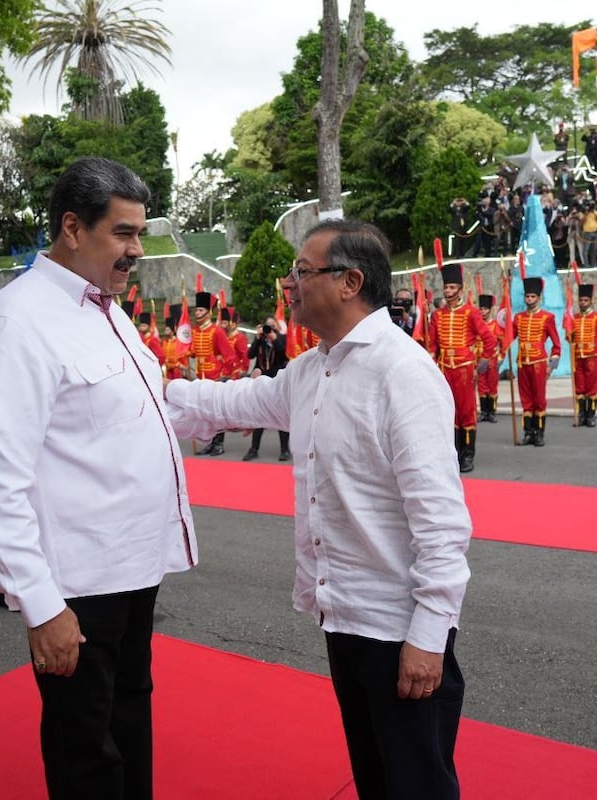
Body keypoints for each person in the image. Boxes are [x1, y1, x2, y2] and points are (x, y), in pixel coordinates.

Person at [166, 219, 471, 800]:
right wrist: (146, 393)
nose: (290, 283)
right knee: (377, 779)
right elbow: (231, 400)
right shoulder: (313, 368)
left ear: (350, 282)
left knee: (418, 785)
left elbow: (441, 524)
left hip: (398, 629)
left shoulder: (401, 373)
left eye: (302, 272)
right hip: (343, 615)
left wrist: (429, 637)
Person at [0, 156, 198, 800]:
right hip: (77, 587)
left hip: (132, 567)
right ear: (72, 227)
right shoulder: (19, 321)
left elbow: (143, 412)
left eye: (139, 233)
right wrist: (41, 605)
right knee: (86, 749)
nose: (136, 250)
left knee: (129, 722)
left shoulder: (107, 311)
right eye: (123, 233)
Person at [427, 262, 495, 472]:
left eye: (452, 287)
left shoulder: (471, 313)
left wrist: (483, 361)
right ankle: (453, 453)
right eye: (446, 287)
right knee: (449, 412)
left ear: (460, 289)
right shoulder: (438, 315)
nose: (448, 291)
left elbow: (489, 339)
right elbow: (433, 344)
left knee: (466, 412)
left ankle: (467, 455)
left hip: (465, 368)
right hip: (445, 368)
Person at [512, 277, 561, 446]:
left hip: (539, 363)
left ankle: (539, 433)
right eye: (527, 296)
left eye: (533, 297)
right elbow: (508, 338)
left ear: (539, 298)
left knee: (539, 399)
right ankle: (528, 432)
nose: (529, 300)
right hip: (522, 364)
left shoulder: (548, 317)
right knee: (526, 400)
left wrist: (551, 365)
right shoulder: (518, 318)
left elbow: (556, 344)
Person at [189, 291, 235, 455]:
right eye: (196, 310)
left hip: (214, 375)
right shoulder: (195, 331)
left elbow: (230, 356)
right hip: (200, 375)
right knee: (205, 412)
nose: (197, 313)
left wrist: (224, 374)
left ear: (209, 313)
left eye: (201, 310)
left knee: (216, 411)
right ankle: (210, 442)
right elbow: (195, 351)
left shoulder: (217, 331)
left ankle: (219, 444)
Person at [566, 284, 597, 427]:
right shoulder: (573, 318)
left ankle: (591, 415)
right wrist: (569, 336)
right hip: (577, 357)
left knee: (592, 387)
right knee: (579, 387)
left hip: (592, 357)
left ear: (591, 301)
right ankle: (581, 415)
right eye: (581, 300)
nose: (583, 303)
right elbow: (570, 337)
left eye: (585, 300)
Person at [243, 316, 289, 461]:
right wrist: (257, 338)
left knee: (281, 413)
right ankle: (254, 449)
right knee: (259, 414)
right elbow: (250, 355)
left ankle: (284, 449)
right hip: (262, 380)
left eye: (272, 325)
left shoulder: (281, 338)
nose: (269, 328)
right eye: (267, 326)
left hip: (277, 380)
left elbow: (283, 353)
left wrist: (274, 338)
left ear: (277, 326)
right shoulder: (261, 340)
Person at [475, 295, 503, 423]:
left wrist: (501, 357)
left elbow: (503, 344)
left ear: (490, 309)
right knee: (481, 387)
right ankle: (484, 412)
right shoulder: (476, 325)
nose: (483, 311)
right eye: (481, 309)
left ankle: (492, 412)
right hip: (479, 360)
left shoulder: (496, 326)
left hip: (492, 360)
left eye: (485, 309)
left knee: (492, 386)